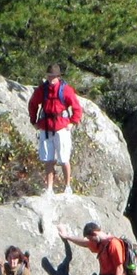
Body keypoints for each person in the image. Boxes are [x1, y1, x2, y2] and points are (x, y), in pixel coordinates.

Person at [27, 64, 84, 197]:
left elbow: (77, 108)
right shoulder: (42, 90)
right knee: (48, 159)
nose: (51, 79)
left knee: (64, 158)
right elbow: (33, 104)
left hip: (61, 127)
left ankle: (67, 187)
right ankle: (49, 189)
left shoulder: (66, 90)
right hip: (46, 127)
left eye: (54, 76)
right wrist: (34, 121)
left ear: (59, 77)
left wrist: (73, 122)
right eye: (49, 76)